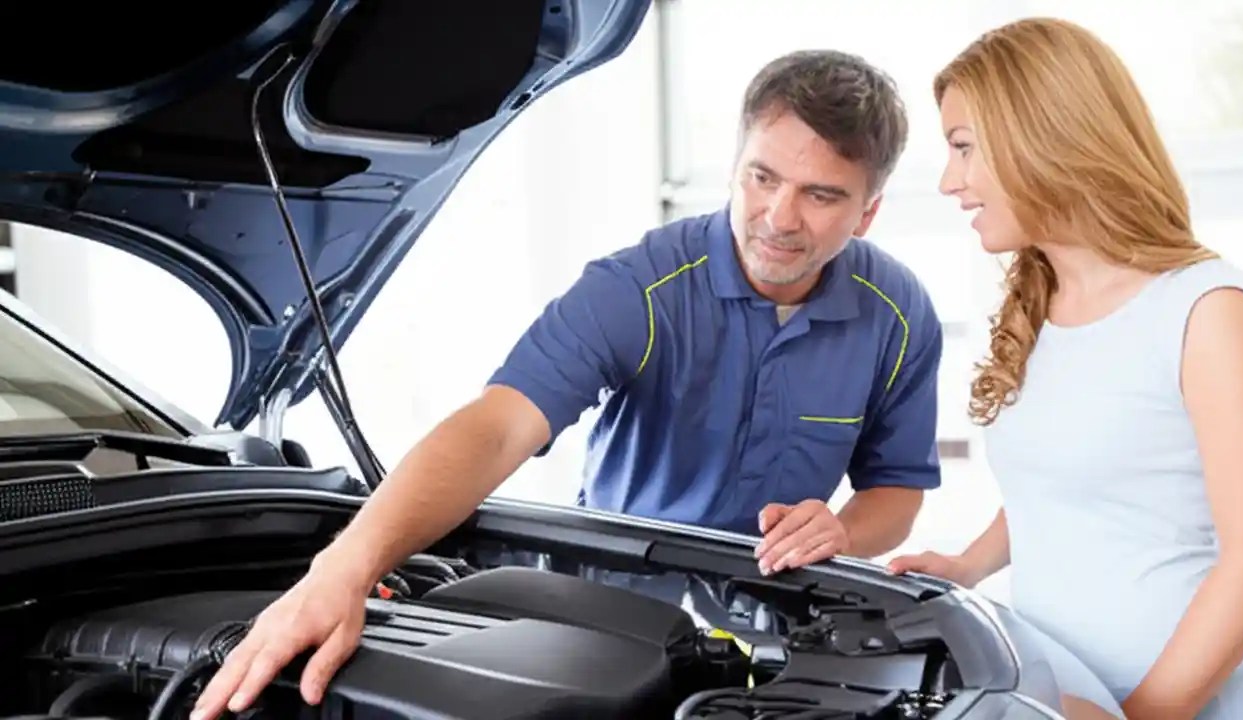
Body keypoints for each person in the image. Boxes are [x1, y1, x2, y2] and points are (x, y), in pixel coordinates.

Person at [190, 49, 944, 719]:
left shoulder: (899, 315)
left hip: (786, 633)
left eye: (821, 195)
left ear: (868, 211)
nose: (779, 217)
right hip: (611, 616)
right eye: (762, 176)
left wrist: (844, 531)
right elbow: (497, 427)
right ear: (735, 163)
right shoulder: (639, 290)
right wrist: (343, 572)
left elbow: (897, 494)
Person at [887, 16, 1243, 720]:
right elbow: (1068, 477)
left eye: (964, 148)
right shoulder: (1033, 301)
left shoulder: (1205, 309)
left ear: (1040, 138)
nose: (951, 181)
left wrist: (1141, 717)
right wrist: (967, 565)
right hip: (1064, 693)